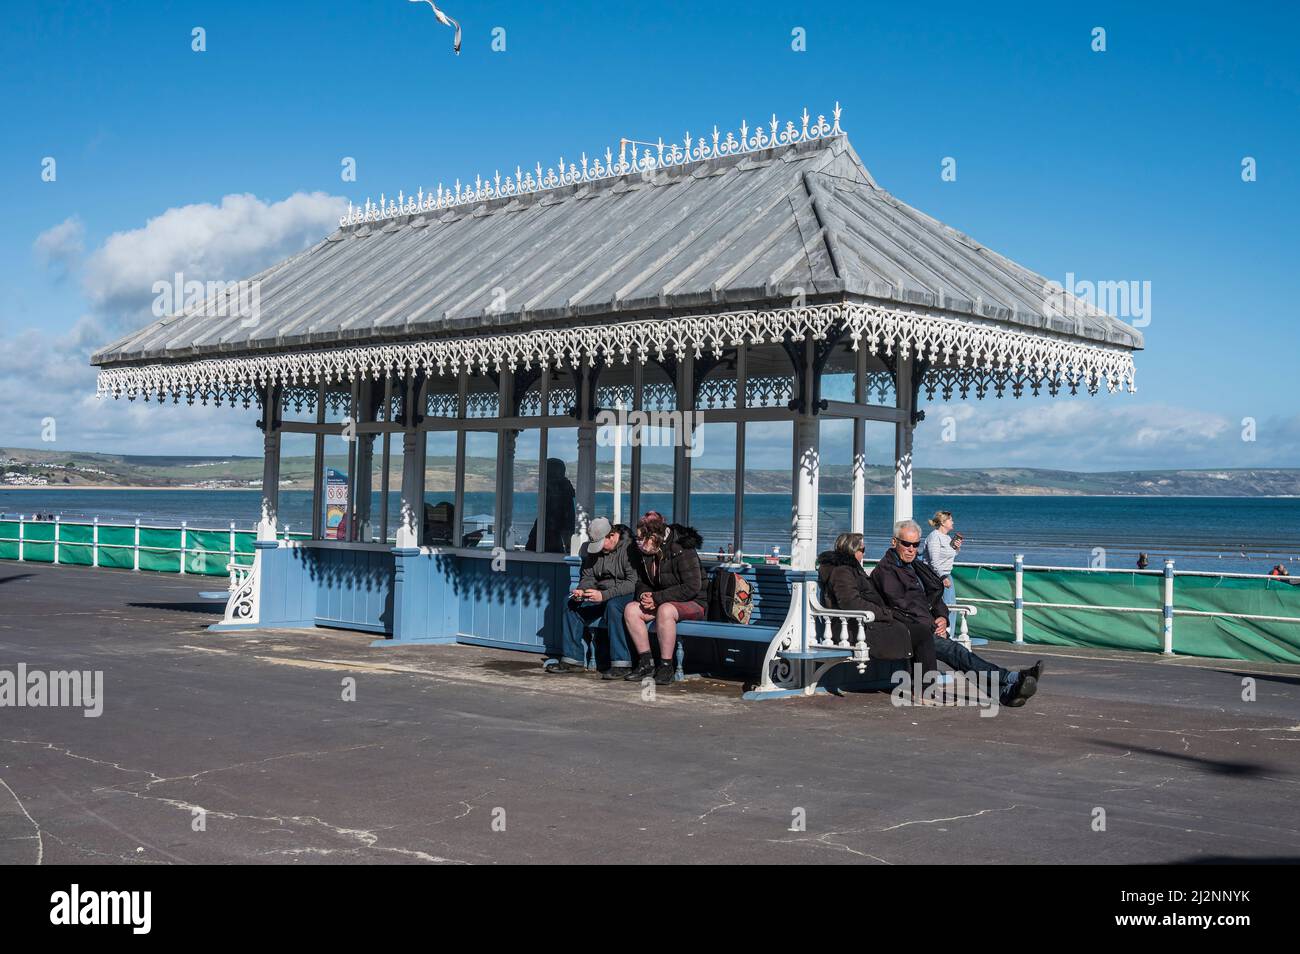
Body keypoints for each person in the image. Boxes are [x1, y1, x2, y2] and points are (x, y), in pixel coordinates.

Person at [872, 519, 1042, 707]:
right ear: (894, 542)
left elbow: (934, 597)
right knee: (957, 653)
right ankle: (1011, 678)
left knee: (958, 656)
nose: (912, 549)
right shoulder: (886, 571)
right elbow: (902, 606)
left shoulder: (916, 566)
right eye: (906, 544)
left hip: (925, 626)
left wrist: (942, 618)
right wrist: (932, 625)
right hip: (906, 631)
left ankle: (1005, 693)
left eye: (916, 544)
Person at [818, 532, 941, 705]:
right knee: (921, 634)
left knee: (917, 630)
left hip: (864, 624)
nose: (864, 553)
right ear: (853, 551)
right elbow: (851, 603)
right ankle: (925, 691)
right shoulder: (842, 571)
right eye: (863, 549)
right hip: (856, 629)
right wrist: (884, 613)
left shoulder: (849, 569)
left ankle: (921, 689)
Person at [545, 518, 639, 676]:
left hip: (625, 594)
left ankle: (621, 663)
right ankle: (573, 659)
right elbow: (588, 576)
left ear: (612, 535)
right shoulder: (596, 552)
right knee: (570, 604)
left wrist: (604, 595)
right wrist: (582, 590)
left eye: (602, 544)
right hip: (600, 594)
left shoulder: (630, 549)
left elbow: (632, 582)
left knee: (614, 606)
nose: (600, 549)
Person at [622, 512, 706, 685]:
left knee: (665, 610)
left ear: (653, 537)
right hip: (662, 599)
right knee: (631, 609)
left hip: (694, 602)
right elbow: (642, 581)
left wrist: (657, 598)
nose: (638, 543)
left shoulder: (681, 548)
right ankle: (646, 663)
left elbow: (692, 587)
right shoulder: (645, 552)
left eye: (641, 539)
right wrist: (644, 594)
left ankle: (666, 667)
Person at [526, 458, 576, 553]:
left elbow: (568, 523)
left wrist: (569, 546)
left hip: (549, 538)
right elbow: (569, 524)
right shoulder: (564, 491)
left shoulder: (560, 493)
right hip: (548, 537)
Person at [923, 510, 961, 633]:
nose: (953, 522)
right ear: (943, 522)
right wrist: (943, 577)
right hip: (935, 577)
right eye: (950, 520)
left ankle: (949, 633)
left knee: (951, 606)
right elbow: (934, 561)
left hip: (946, 575)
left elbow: (950, 555)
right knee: (942, 607)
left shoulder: (947, 537)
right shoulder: (934, 537)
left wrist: (957, 547)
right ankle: (943, 634)